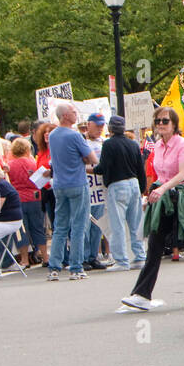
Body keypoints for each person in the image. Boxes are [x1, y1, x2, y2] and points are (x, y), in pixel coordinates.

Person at [120, 106, 184, 311]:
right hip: (163, 197)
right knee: (155, 244)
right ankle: (142, 294)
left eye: (165, 121)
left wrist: (161, 189)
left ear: (174, 124)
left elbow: (183, 173)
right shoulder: (158, 146)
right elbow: (158, 173)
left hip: (182, 196)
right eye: (158, 121)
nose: (161, 124)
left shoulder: (182, 144)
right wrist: (152, 192)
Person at [46, 102, 99, 281]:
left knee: (60, 226)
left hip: (59, 184)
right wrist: (82, 158)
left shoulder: (52, 135)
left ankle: (54, 267)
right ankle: (76, 267)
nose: (76, 114)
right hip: (77, 182)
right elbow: (92, 159)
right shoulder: (75, 136)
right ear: (65, 116)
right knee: (78, 226)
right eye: (73, 112)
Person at [95, 114, 147, 271]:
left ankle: (121, 260)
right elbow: (140, 168)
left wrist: (90, 168)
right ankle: (140, 256)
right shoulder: (133, 144)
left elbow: (102, 167)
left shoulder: (109, 145)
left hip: (117, 185)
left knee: (117, 224)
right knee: (135, 223)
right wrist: (143, 187)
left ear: (110, 128)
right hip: (134, 184)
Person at [8, 137, 46, 267]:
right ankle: (45, 256)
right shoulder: (33, 163)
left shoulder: (10, 165)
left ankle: (24, 259)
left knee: (21, 230)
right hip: (34, 197)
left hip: (17, 199)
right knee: (38, 227)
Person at [82, 112, 111, 269]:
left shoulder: (103, 143)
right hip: (86, 188)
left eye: (102, 126)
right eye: (97, 125)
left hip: (99, 190)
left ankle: (93, 256)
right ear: (89, 124)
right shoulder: (81, 141)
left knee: (97, 225)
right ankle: (84, 256)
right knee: (85, 224)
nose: (100, 128)